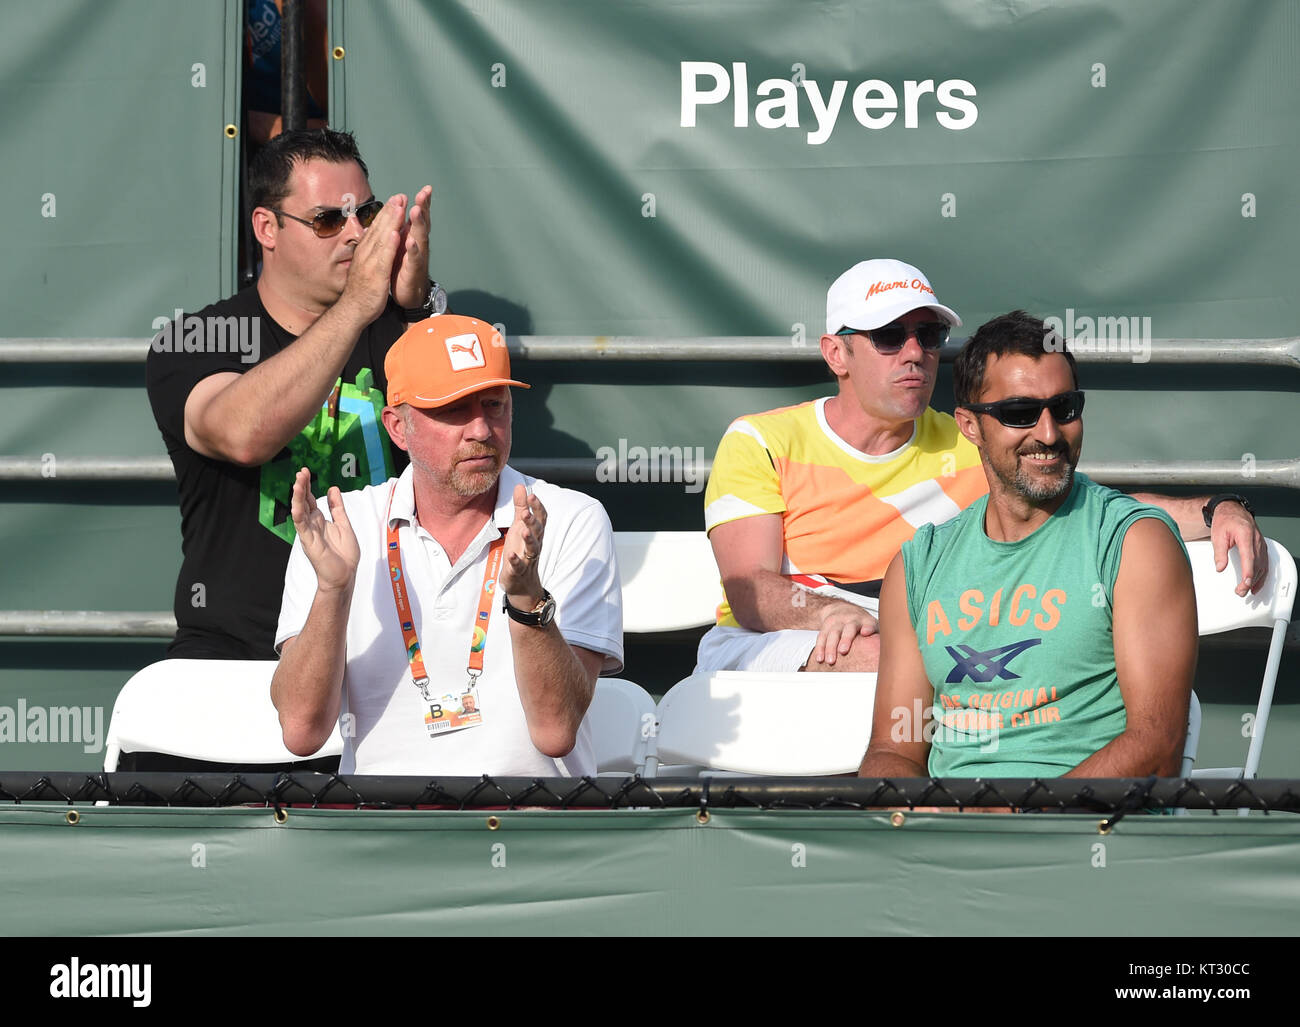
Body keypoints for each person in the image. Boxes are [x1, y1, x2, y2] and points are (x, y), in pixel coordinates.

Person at [697, 258, 1265, 676]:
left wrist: (1217, 510)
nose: (916, 351)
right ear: (836, 353)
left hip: (901, 640)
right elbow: (750, 593)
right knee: (907, 660)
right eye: (890, 336)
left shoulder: (967, 436)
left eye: (929, 334)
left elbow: (1093, 507)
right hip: (767, 641)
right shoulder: (759, 439)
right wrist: (831, 612)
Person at [270, 315, 624, 776]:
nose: (480, 429)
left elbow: (555, 732)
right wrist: (334, 591)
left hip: (531, 828)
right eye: (453, 409)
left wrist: (525, 597)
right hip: (383, 828)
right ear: (398, 428)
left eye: (494, 404)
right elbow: (301, 732)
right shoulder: (342, 525)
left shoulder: (571, 518)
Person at [146, 128, 447, 660]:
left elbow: (469, 447)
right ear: (267, 227)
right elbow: (242, 435)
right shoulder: (200, 338)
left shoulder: (398, 326)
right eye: (329, 219)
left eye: (368, 214)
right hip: (239, 655)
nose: (355, 234)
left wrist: (420, 305)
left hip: (388, 649)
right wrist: (357, 307)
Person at [858, 311, 1196, 778]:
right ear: (969, 426)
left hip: (1084, 835)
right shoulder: (919, 564)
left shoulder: (1134, 541)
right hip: (945, 838)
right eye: (1019, 413)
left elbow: (1157, 745)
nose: (1048, 433)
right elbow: (893, 752)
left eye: (1064, 408)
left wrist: (1011, 821)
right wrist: (922, 822)